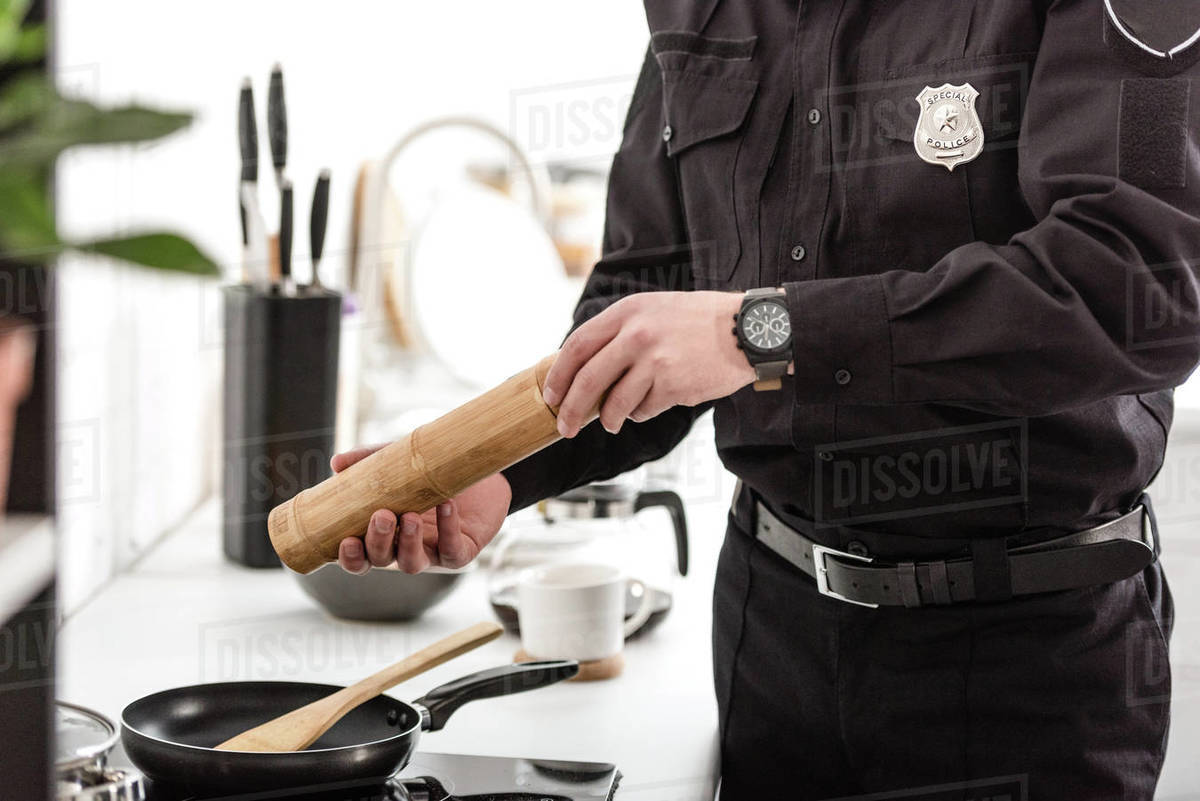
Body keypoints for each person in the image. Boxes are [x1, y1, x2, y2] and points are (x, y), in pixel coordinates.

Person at [334, 2, 1200, 797]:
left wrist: (760, 334)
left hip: (1028, 660)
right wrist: (494, 468)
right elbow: (652, 295)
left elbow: (1141, 287)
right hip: (771, 632)